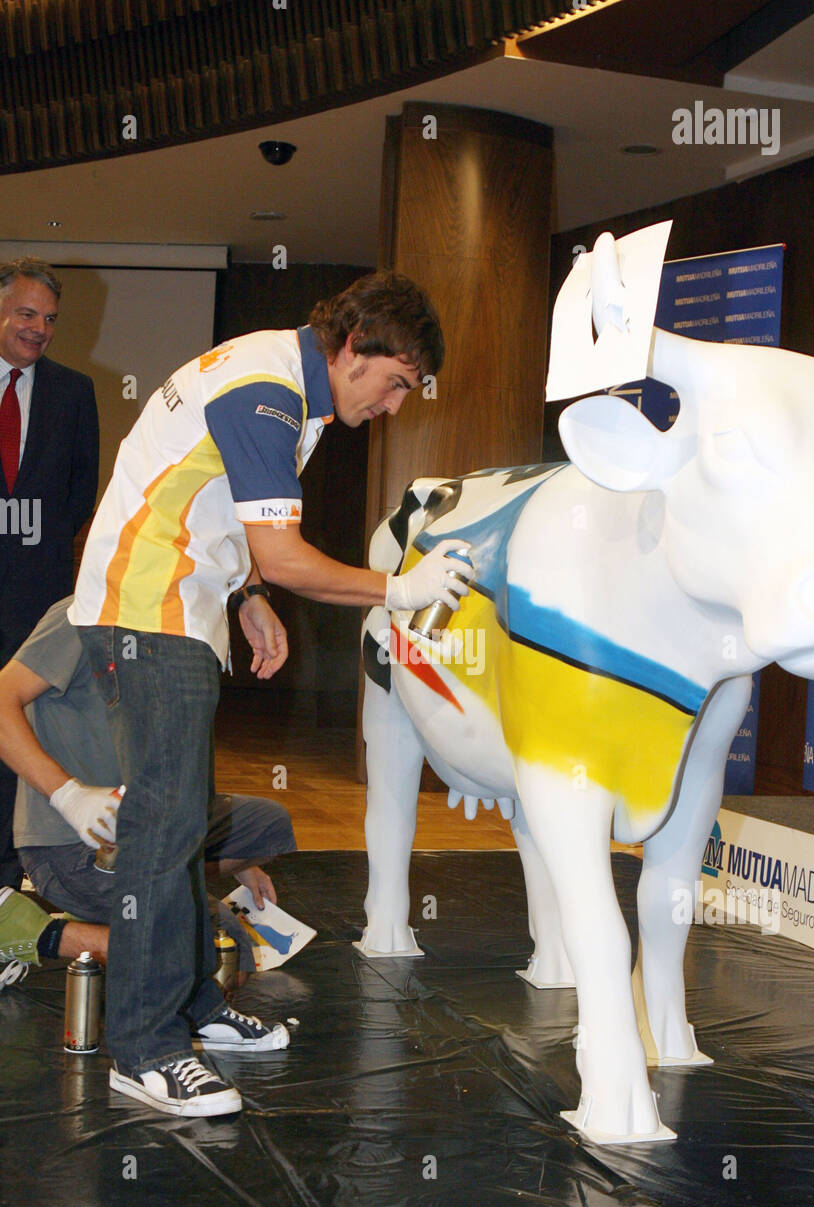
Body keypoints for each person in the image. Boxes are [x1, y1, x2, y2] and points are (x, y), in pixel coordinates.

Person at [66, 271, 472, 1118]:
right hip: (149, 608)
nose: (396, 405)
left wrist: (247, 599)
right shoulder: (268, 391)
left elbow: (227, 518)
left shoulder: (289, 388)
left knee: (180, 818)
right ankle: (141, 1049)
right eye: (396, 382)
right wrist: (399, 589)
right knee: (163, 827)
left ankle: (191, 1007)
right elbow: (286, 556)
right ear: (354, 348)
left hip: (177, 604)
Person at [0, 597, 298, 991]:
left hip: (148, 824)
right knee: (219, 949)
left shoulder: (178, 622)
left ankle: (157, 896)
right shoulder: (84, 611)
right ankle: (40, 932)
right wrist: (69, 796)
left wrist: (240, 861)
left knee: (271, 824)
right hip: (73, 845)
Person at [0, 259, 99, 890]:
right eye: (27, 314)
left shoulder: (74, 391)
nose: (39, 330)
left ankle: (13, 871)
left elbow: (78, 495)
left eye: (51, 320)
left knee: (18, 724)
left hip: (36, 596)